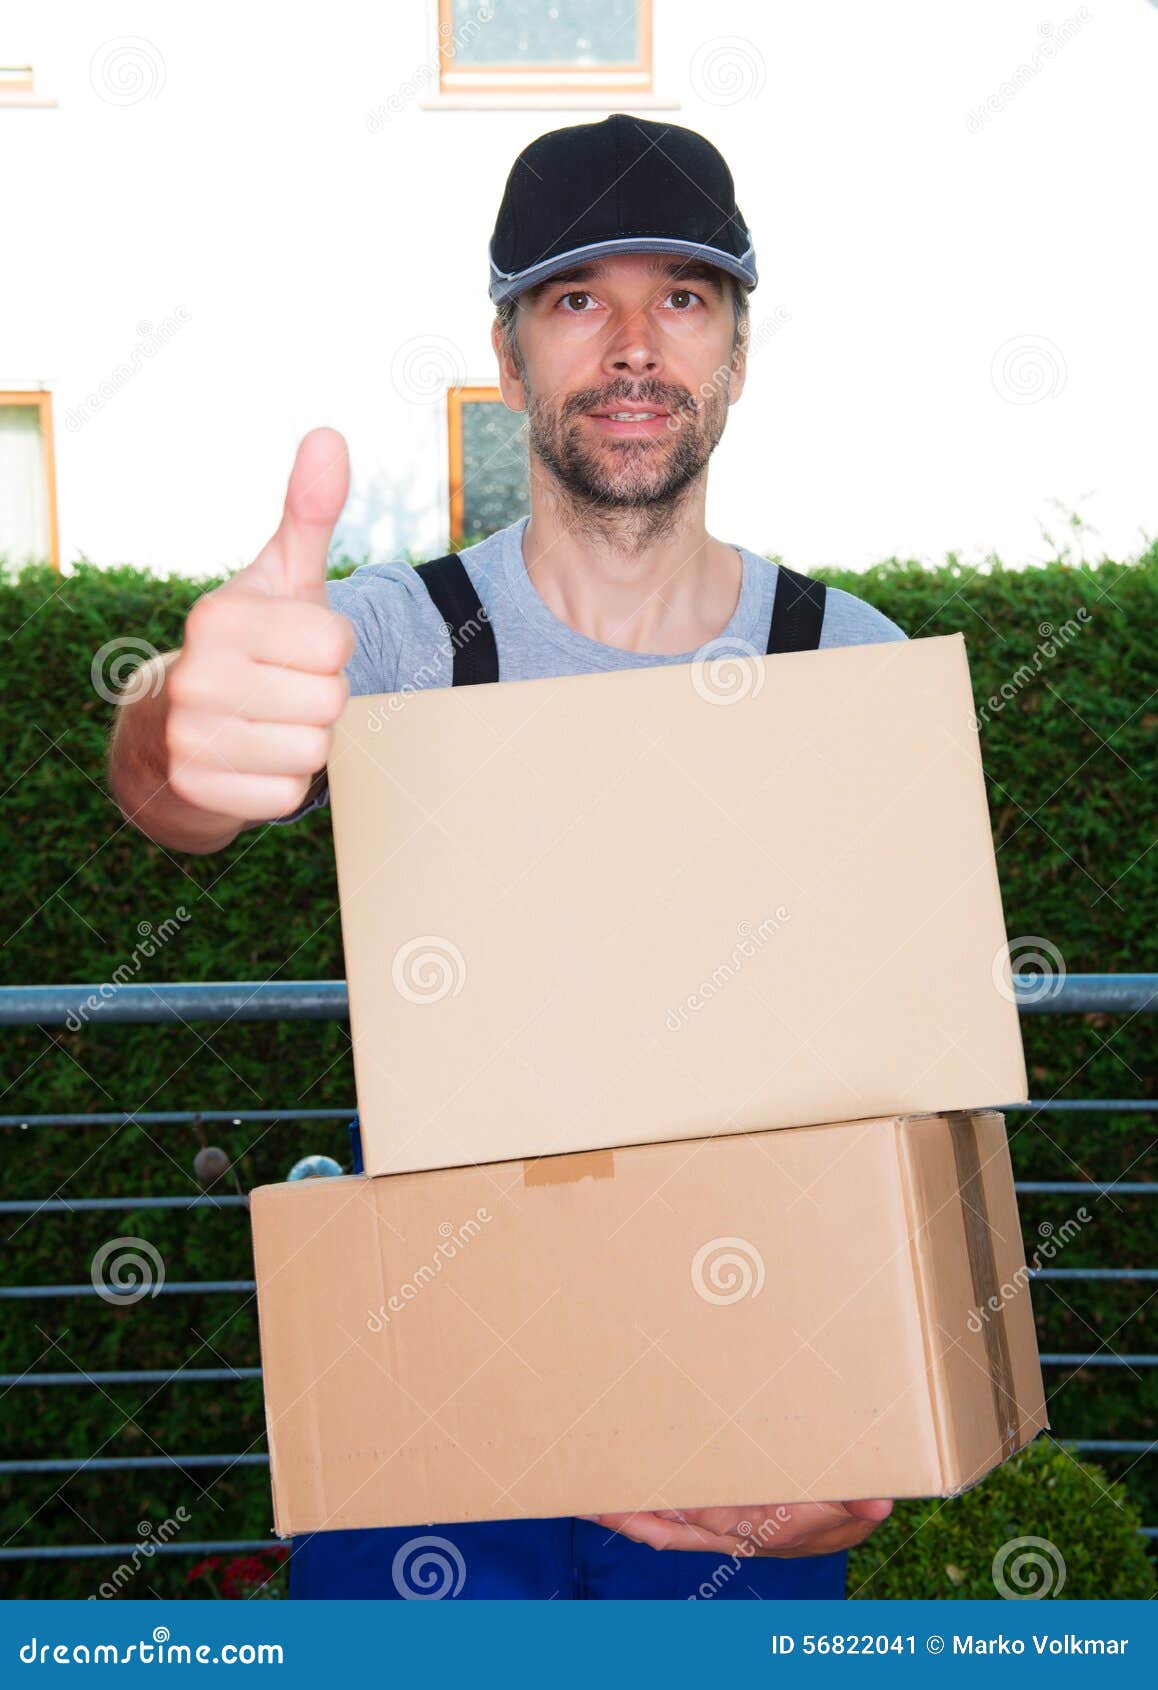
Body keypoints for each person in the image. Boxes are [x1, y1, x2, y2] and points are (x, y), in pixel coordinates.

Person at [108, 113, 903, 1600]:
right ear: (510, 345)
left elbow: (890, 1107)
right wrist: (179, 733)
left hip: (739, 1441)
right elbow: (176, 782)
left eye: (680, 296)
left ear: (737, 348)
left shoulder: (838, 658)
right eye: (573, 297)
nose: (630, 344)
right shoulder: (399, 640)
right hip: (435, 1417)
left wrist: (875, 1425)